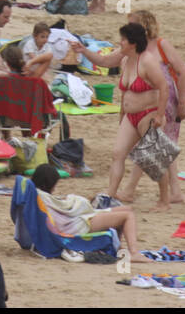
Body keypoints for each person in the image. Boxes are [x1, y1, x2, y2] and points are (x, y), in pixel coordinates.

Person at [71, 22, 169, 208]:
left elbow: (164, 87)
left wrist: (159, 115)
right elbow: (103, 61)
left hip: (149, 113)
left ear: (133, 43)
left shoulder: (147, 61)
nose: (120, 42)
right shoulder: (124, 57)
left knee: (153, 159)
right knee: (117, 153)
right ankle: (111, 194)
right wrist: (83, 51)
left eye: (123, 39)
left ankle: (164, 199)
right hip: (130, 115)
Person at [31, 163, 139, 258]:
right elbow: (67, 208)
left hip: (76, 220)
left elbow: (61, 206)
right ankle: (134, 253)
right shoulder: (43, 197)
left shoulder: (39, 196)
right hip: (77, 224)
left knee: (127, 209)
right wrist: (74, 200)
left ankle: (118, 248)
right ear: (48, 183)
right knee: (127, 216)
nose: (54, 188)